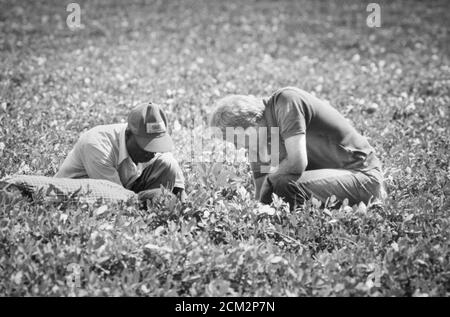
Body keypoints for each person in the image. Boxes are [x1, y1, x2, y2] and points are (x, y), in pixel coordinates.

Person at [210, 87, 384, 209]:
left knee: (281, 183)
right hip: (332, 181)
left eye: (234, 139)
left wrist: (271, 181)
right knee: (277, 187)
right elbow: (261, 195)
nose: (237, 147)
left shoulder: (285, 101)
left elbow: (296, 163)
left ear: (248, 126)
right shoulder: (258, 142)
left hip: (362, 176)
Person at [55, 102, 186, 202]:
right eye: (146, 146)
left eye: (156, 145)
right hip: (78, 196)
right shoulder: (97, 145)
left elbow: (171, 167)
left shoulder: (146, 148)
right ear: (128, 134)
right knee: (143, 200)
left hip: (123, 187)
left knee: (168, 164)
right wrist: (152, 196)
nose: (152, 153)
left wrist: (182, 200)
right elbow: (115, 199)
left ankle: (150, 212)